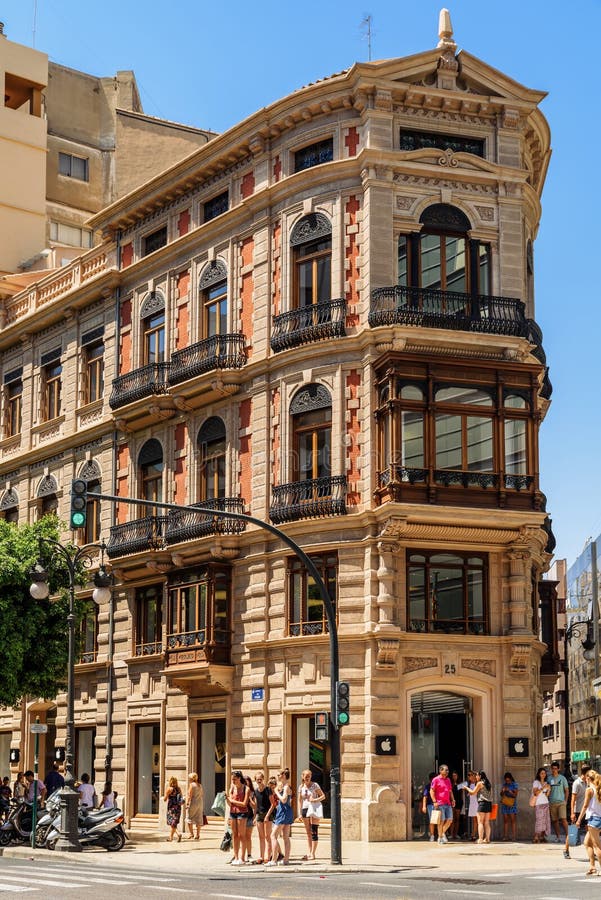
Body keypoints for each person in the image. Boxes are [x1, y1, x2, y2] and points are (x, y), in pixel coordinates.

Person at [265, 768, 293, 866]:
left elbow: (284, 800)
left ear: (283, 775)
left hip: (283, 813)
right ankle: (286, 860)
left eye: (278, 775)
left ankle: (274, 860)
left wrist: (276, 791)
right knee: (285, 837)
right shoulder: (284, 786)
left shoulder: (285, 787)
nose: (277, 776)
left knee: (273, 835)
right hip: (286, 812)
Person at [576, 768, 601, 875]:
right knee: (587, 843)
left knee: (597, 846)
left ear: (588, 778)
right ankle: (592, 866)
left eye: (586, 777)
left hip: (593, 819)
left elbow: (585, 806)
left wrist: (579, 819)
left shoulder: (589, 790)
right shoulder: (599, 789)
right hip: (598, 818)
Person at [297, 769, 326, 860]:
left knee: (314, 831)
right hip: (305, 809)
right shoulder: (301, 787)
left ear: (311, 776)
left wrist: (315, 800)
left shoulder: (315, 785)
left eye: (309, 776)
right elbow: (299, 800)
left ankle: (313, 853)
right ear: (302, 777)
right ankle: (310, 852)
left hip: (314, 808)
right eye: (306, 776)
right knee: (308, 832)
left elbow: (323, 796)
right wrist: (300, 813)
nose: (307, 778)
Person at [565, 763, 591, 859]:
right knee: (573, 831)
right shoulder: (577, 783)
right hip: (578, 811)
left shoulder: (589, 782)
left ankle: (591, 851)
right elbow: (573, 799)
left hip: (587, 811)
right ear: (585, 773)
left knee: (590, 831)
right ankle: (566, 850)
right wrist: (572, 813)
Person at [228, 770, 250, 865]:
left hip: (242, 813)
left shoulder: (246, 789)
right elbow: (229, 803)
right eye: (232, 779)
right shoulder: (232, 788)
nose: (233, 781)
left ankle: (242, 857)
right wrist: (227, 799)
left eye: (235, 779)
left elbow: (244, 804)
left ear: (239, 778)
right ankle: (236, 857)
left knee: (242, 835)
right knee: (234, 835)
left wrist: (232, 801)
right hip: (233, 812)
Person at [429, 764, 455, 844]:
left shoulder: (448, 780)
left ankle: (441, 833)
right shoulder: (436, 780)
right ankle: (440, 838)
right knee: (441, 821)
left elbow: (450, 791)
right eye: (445, 770)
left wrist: (453, 799)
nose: (447, 772)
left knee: (450, 820)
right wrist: (434, 801)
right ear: (441, 771)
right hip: (439, 804)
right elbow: (431, 791)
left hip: (448, 803)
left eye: (447, 770)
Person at [467, 770, 493, 844]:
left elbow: (472, 792)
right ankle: (487, 839)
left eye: (477, 775)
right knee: (487, 822)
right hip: (488, 804)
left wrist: (466, 788)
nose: (476, 776)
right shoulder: (488, 784)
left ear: (480, 776)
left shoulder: (479, 783)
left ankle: (480, 839)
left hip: (482, 803)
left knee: (480, 822)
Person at [254, 771, 273, 863]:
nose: (259, 781)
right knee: (261, 836)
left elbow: (273, 804)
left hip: (267, 813)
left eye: (260, 779)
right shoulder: (256, 791)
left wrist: (268, 816)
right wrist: (255, 816)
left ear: (263, 779)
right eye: (257, 780)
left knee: (267, 836)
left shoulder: (268, 789)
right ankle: (261, 856)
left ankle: (268, 856)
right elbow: (257, 804)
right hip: (259, 814)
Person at [548, 761, 569, 843]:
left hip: (561, 802)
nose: (554, 770)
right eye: (552, 769)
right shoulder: (549, 778)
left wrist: (566, 801)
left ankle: (568, 836)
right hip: (552, 802)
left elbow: (567, 790)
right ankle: (558, 837)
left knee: (563, 819)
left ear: (558, 769)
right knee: (555, 821)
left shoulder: (562, 778)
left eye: (555, 769)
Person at [532, 766, 551, 843]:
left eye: (544, 773)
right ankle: (536, 836)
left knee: (545, 821)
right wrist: (543, 788)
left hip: (545, 803)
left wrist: (549, 789)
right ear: (539, 774)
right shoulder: (536, 782)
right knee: (539, 820)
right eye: (542, 773)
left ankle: (542, 836)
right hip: (539, 804)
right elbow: (535, 793)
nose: (543, 775)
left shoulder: (546, 783)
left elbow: (546, 795)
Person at [164, 776, 184, 842]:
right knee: (174, 823)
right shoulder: (179, 789)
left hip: (172, 808)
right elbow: (181, 797)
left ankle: (178, 834)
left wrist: (167, 795)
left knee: (172, 823)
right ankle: (171, 838)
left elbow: (165, 799)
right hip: (178, 808)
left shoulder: (169, 789)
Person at [500, 772, 518, 841]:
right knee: (505, 820)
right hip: (505, 803)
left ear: (510, 779)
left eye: (508, 780)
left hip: (512, 804)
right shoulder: (504, 785)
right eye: (506, 780)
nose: (507, 781)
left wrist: (509, 791)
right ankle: (505, 836)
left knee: (513, 820)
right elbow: (501, 794)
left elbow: (515, 795)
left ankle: (514, 836)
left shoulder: (514, 784)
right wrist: (503, 791)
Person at [186, 772, 204, 840]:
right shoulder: (200, 785)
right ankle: (198, 835)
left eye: (189, 778)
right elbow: (202, 794)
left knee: (189, 818)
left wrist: (187, 803)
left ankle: (191, 833)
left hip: (193, 802)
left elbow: (189, 796)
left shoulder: (191, 785)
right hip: (200, 803)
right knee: (199, 818)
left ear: (191, 778)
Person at [243, 775, 257, 862]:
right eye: (244, 781)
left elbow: (254, 806)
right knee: (240, 836)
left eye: (247, 781)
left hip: (249, 816)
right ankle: (239, 855)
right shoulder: (240, 790)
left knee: (248, 837)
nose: (246, 783)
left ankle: (249, 854)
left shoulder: (252, 792)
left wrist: (248, 798)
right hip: (241, 816)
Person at [421, 772, 437, 842]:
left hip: (439, 804)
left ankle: (440, 835)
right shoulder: (428, 786)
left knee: (440, 820)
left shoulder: (438, 785)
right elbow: (425, 797)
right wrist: (424, 806)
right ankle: (432, 835)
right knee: (432, 821)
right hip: (430, 805)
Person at [450, 771, 462, 840]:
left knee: (457, 819)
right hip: (452, 802)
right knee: (452, 818)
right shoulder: (450, 784)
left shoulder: (460, 784)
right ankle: (451, 834)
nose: (454, 777)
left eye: (455, 775)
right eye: (453, 776)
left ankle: (456, 834)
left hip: (459, 802)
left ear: (457, 776)